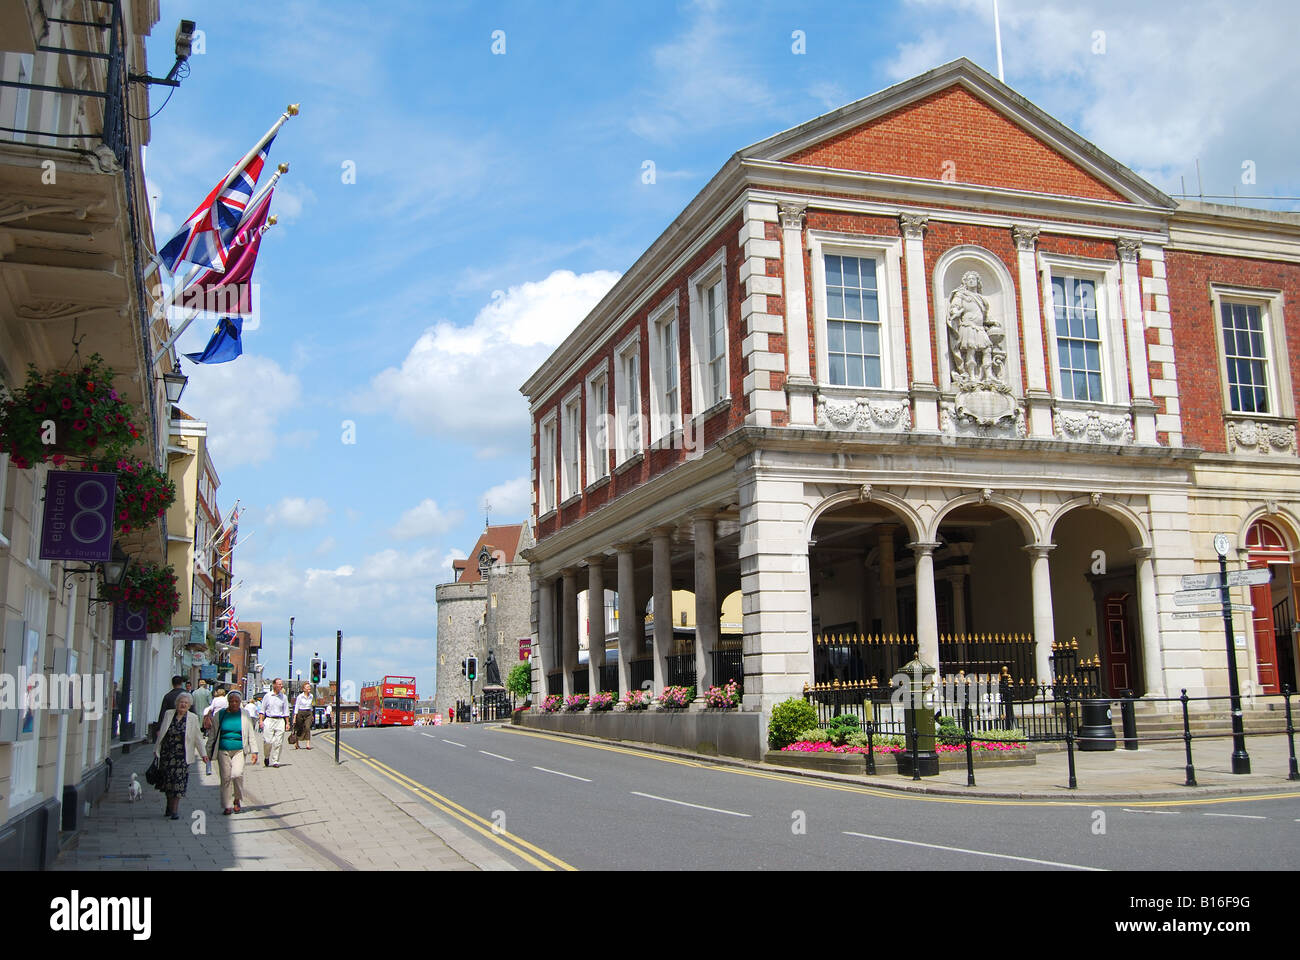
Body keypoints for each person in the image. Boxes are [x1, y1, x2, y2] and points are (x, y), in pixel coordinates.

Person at [154, 691, 208, 820]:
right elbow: (162, 732)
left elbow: (197, 738)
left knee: (178, 783)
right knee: (167, 782)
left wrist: (203, 754)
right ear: (176, 703)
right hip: (167, 754)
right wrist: (156, 748)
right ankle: (169, 804)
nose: (183, 705)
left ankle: (174, 810)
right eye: (181, 702)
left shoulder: (193, 718)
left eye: (186, 703)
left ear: (189, 705)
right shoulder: (169, 714)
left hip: (182, 756)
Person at [205, 690, 258, 815]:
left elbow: (251, 734)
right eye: (231, 701)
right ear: (228, 702)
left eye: (236, 701)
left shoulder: (244, 714)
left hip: (239, 749)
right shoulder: (220, 714)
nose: (234, 703)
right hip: (223, 749)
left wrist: (255, 751)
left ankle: (237, 798)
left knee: (237, 774)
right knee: (225, 778)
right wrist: (206, 752)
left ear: (240, 702)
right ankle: (227, 804)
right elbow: (212, 735)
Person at [261, 678, 291, 767]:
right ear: (274, 685)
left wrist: (287, 723)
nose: (281, 686)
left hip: (280, 720)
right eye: (279, 684)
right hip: (269, 719)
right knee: (268, 741)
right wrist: (261, 721)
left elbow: (286, 711)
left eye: (281, 684)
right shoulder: (268, 696)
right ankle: (266, 756)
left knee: (278, 742)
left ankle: (275, 761)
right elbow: (262, 709)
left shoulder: (284, 697)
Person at [201, 687, 228, 775]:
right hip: (225, 719)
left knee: (212, 739)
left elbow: (211, 708)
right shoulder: (226, 699)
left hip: (216, 720)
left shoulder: (215, 700)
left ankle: (208, 762)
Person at [293, 682, 314, 749]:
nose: (309, 688)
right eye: (307, 687)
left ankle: (308, 744)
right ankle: (297, 743)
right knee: (299, 727)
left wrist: (312, 714)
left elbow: (311, 706)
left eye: (309, 687)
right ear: (304, 689)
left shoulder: (311, 696)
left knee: (307, 727)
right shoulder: (300, 697)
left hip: (308, 713)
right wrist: (295, 716)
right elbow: (297, 706)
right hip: (300, 712)